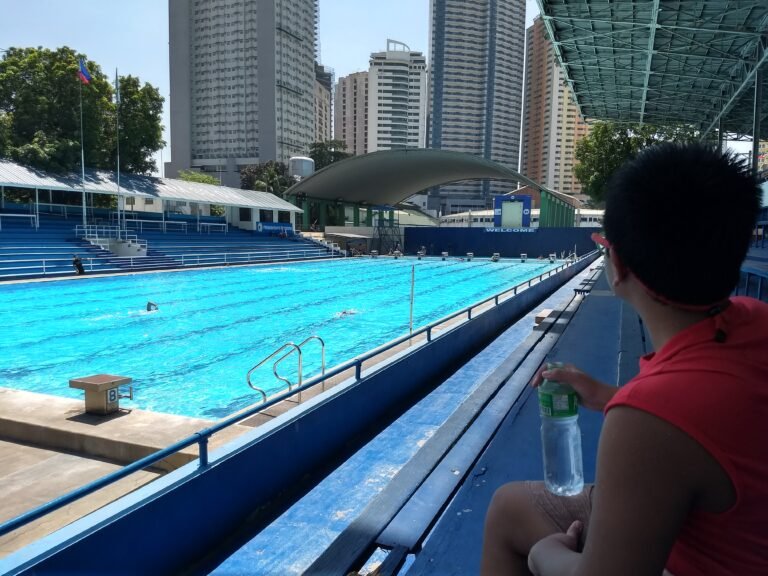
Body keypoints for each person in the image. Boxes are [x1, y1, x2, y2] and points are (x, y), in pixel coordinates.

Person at [481, 143, 768, 576]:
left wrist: (546, 556)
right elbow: (710, 423)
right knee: (508, 505)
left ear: (616, 265)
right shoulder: (756, 320)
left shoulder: (648, 420)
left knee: (509, 521)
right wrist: (605, 395)